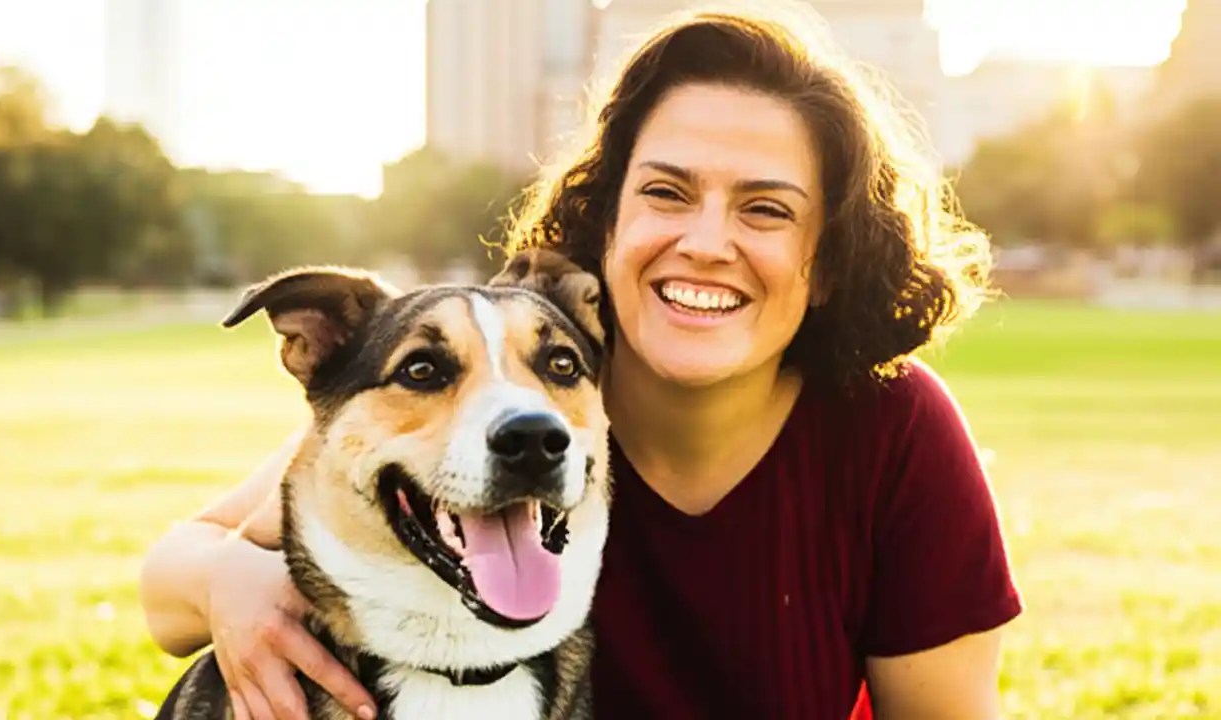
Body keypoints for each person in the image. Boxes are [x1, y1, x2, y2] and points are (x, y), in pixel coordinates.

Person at [139, 4, 1022, 719]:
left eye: (765, 210)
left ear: (827, 260)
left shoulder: (893, 429)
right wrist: (235, 582)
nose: (706, 242)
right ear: (608, 220)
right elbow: (172, 581)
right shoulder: (515, 388)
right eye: (668, 193)